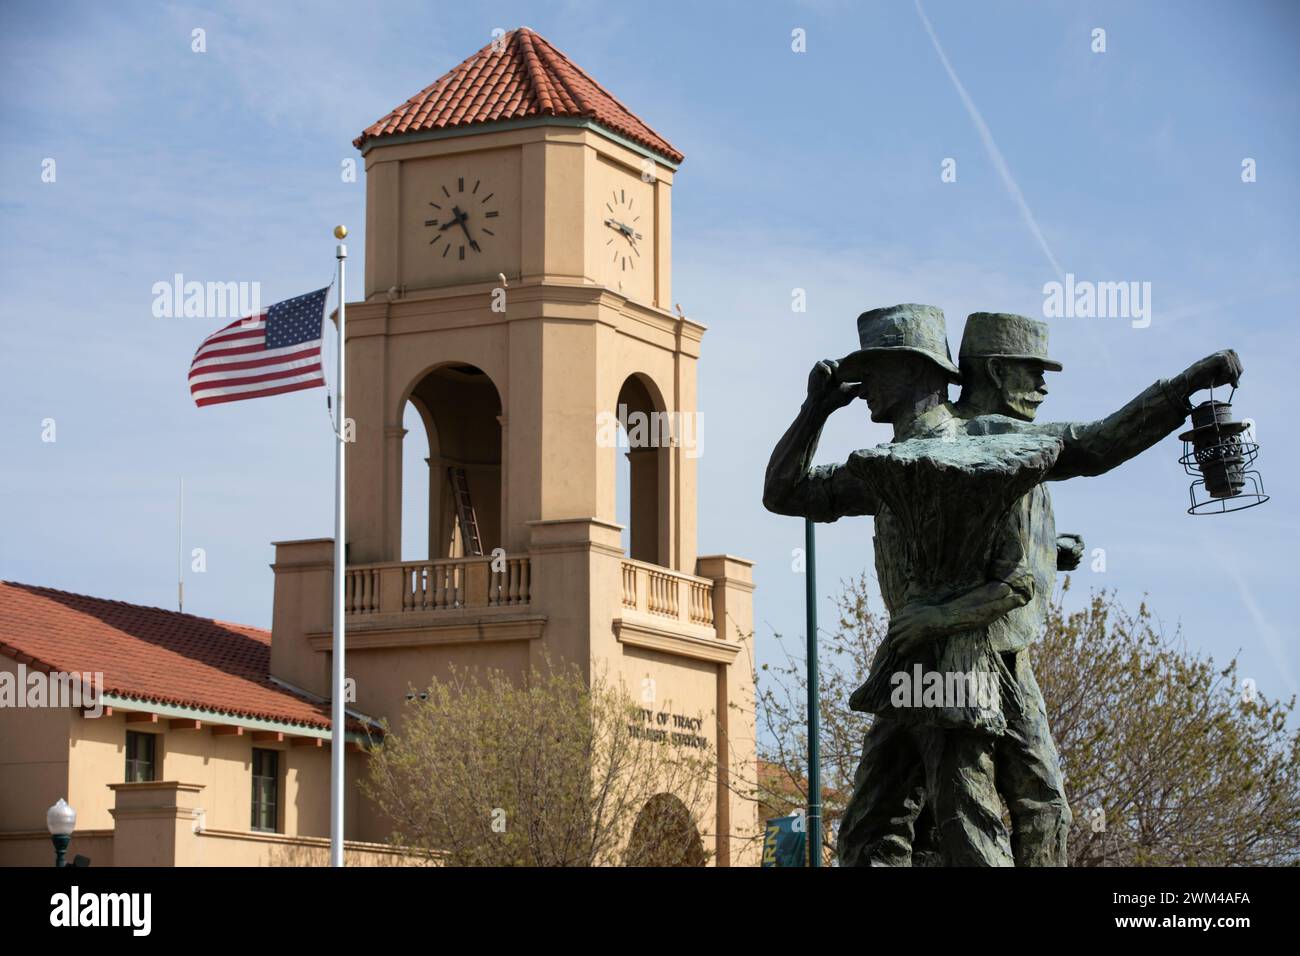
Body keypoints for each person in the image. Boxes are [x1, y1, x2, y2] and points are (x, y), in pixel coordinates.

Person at [764, 304, 1245, 866]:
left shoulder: (983, 437)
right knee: (880, 826)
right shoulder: (879, 465)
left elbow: (1092, 445)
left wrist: (1184, 388)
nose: (863, 382)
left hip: (977, 654)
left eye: (876, 367)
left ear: (919, 370)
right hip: (915, 659)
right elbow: (785, 493)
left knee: (1014, 808)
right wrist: (815, 410)